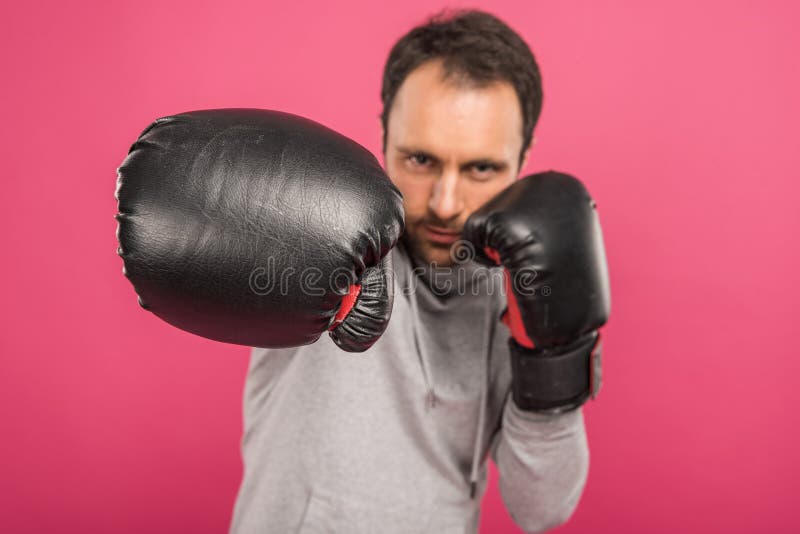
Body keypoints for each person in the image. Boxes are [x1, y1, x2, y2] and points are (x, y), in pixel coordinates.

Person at [115, 9, 609, 534]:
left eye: (480, 169)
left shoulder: (519, 287)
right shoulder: (315, 227)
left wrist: (549, 357)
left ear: (523, 158)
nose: (445, 203)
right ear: (383, 134)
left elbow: (541, 510)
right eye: (420, 160)